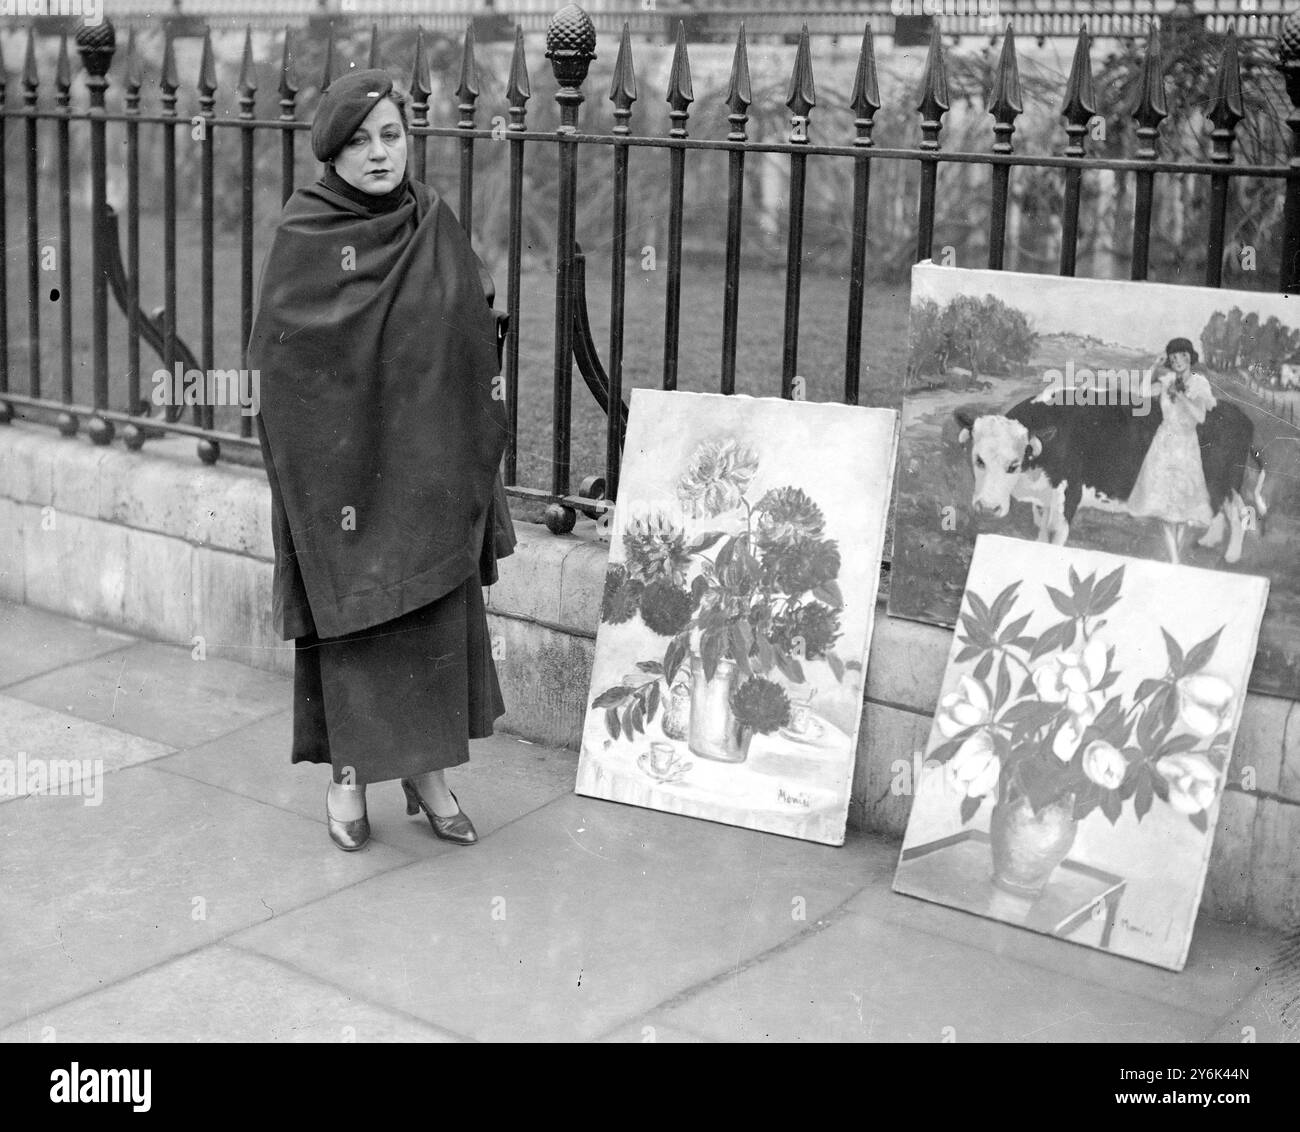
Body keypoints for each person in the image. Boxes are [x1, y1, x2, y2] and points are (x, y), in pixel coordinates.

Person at [247, 69, 516, 852]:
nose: (379, 153)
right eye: (360, 141)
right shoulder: (307, 231)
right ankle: (349, 776)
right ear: (332, 152)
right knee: (356, 615)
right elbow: (280, 360)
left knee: (430, 613)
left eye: (391, 136)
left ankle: (427, 773)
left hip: (425, 462)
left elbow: (468, 321)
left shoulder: (430, 218)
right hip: (344, 477)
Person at [1127, 337, 1217, 559]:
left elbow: (1200, 417)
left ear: (1188, 357)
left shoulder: (1199, 383)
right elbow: (1142, 393)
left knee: (1183, 509)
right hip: (1164, 444)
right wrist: (1153, 367)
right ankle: (1174, 559)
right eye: (1173, 357)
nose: (1177, 361)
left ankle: (1175, 558)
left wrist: (1181, 397)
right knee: (1165, 508)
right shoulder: (1166, 381)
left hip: (1186, 446)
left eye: (1181, 356)